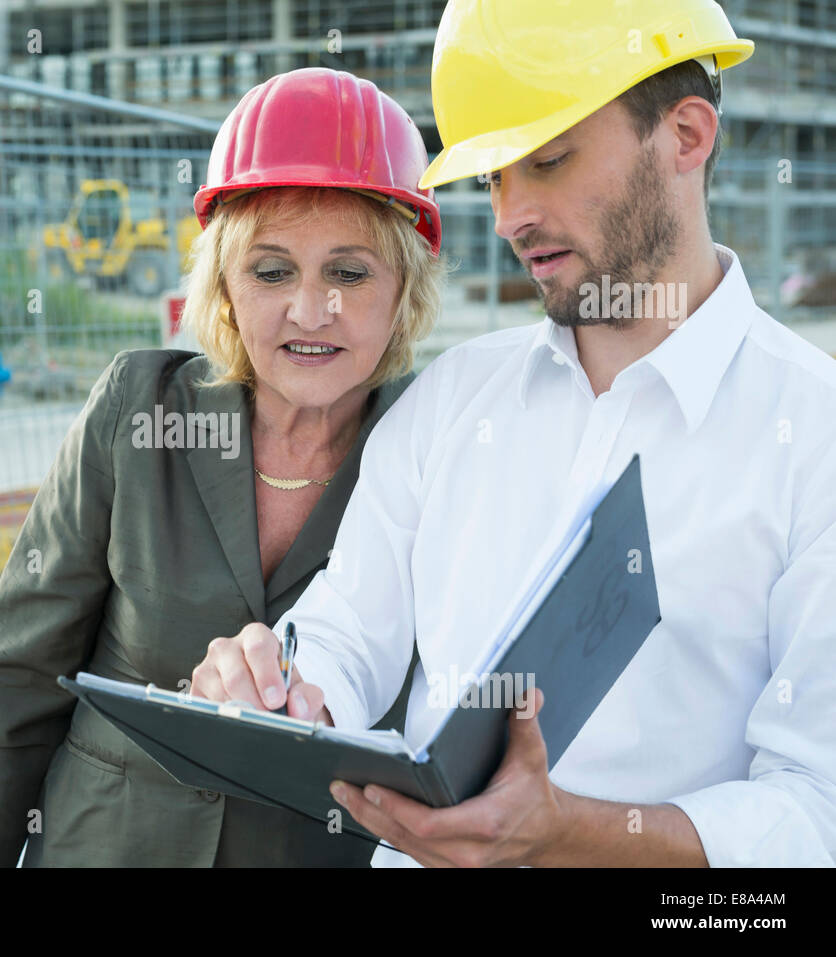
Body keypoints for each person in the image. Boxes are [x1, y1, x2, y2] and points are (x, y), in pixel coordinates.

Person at [190, 0, 836, 867]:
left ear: (685, 136)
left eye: (548, 160)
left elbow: (813, 809)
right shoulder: (450, 401)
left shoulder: (813, 434)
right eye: (495, 177)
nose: (510, 216)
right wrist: (276, 690)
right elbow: (345, 641)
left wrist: (571, 832)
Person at [0, 67, 446, 867]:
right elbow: (12, 686)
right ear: (225, 286)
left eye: (349, 272)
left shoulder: (434, 447)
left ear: (404, 289)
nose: (310, 312)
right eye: (271, 270)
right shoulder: (138, 412)